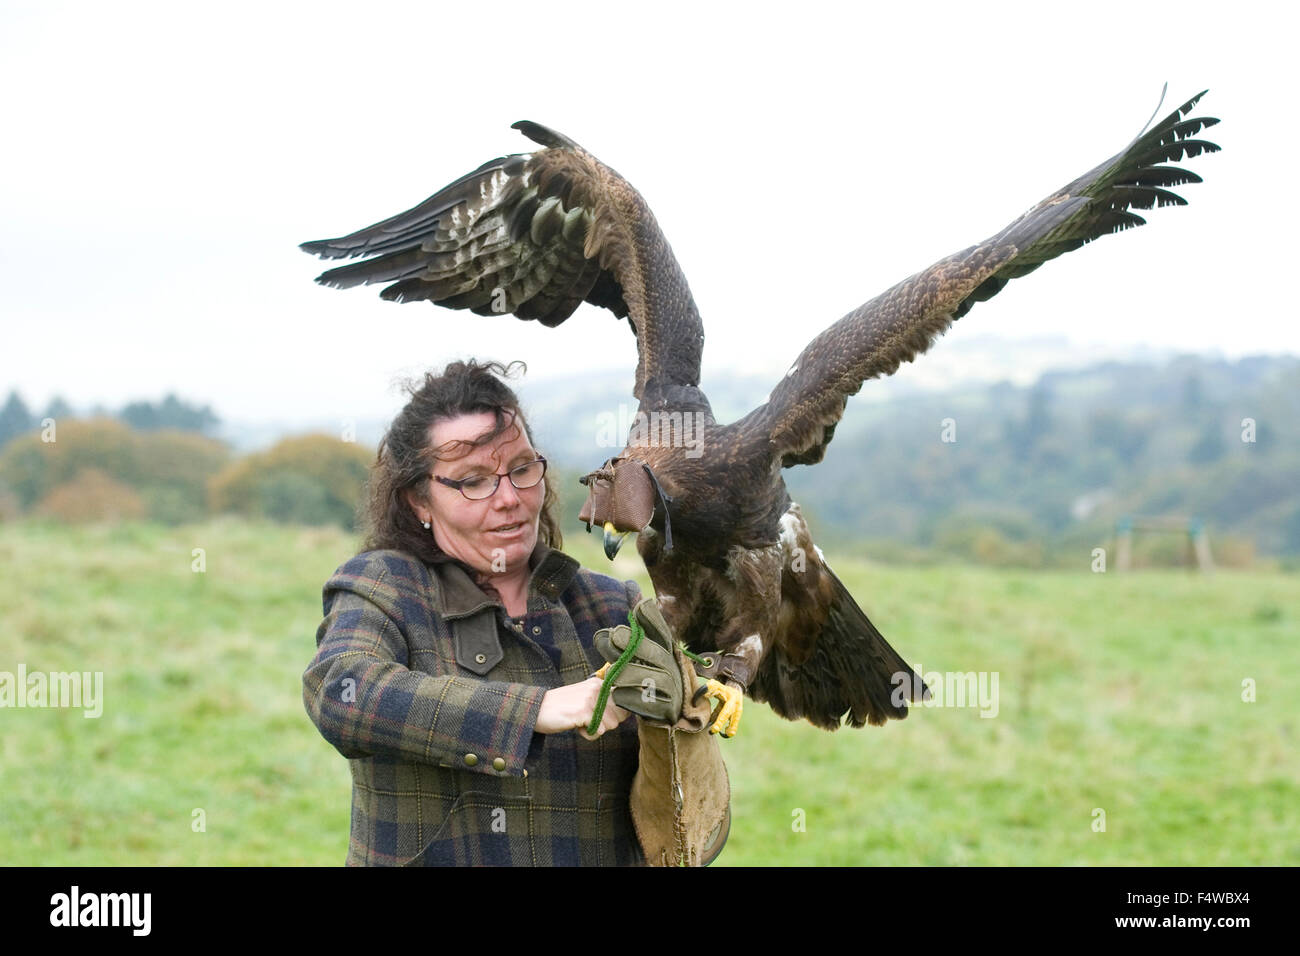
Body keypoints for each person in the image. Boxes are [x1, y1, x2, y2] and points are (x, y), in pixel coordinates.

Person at [302, 358, 726, 866]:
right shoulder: (387, 587)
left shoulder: (614, 606)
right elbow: (343, 693)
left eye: (522, 469)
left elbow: (693, 845)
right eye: (473, 481)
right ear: (419, 500)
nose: (509, 499)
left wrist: (675, 734)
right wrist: (538, 710)